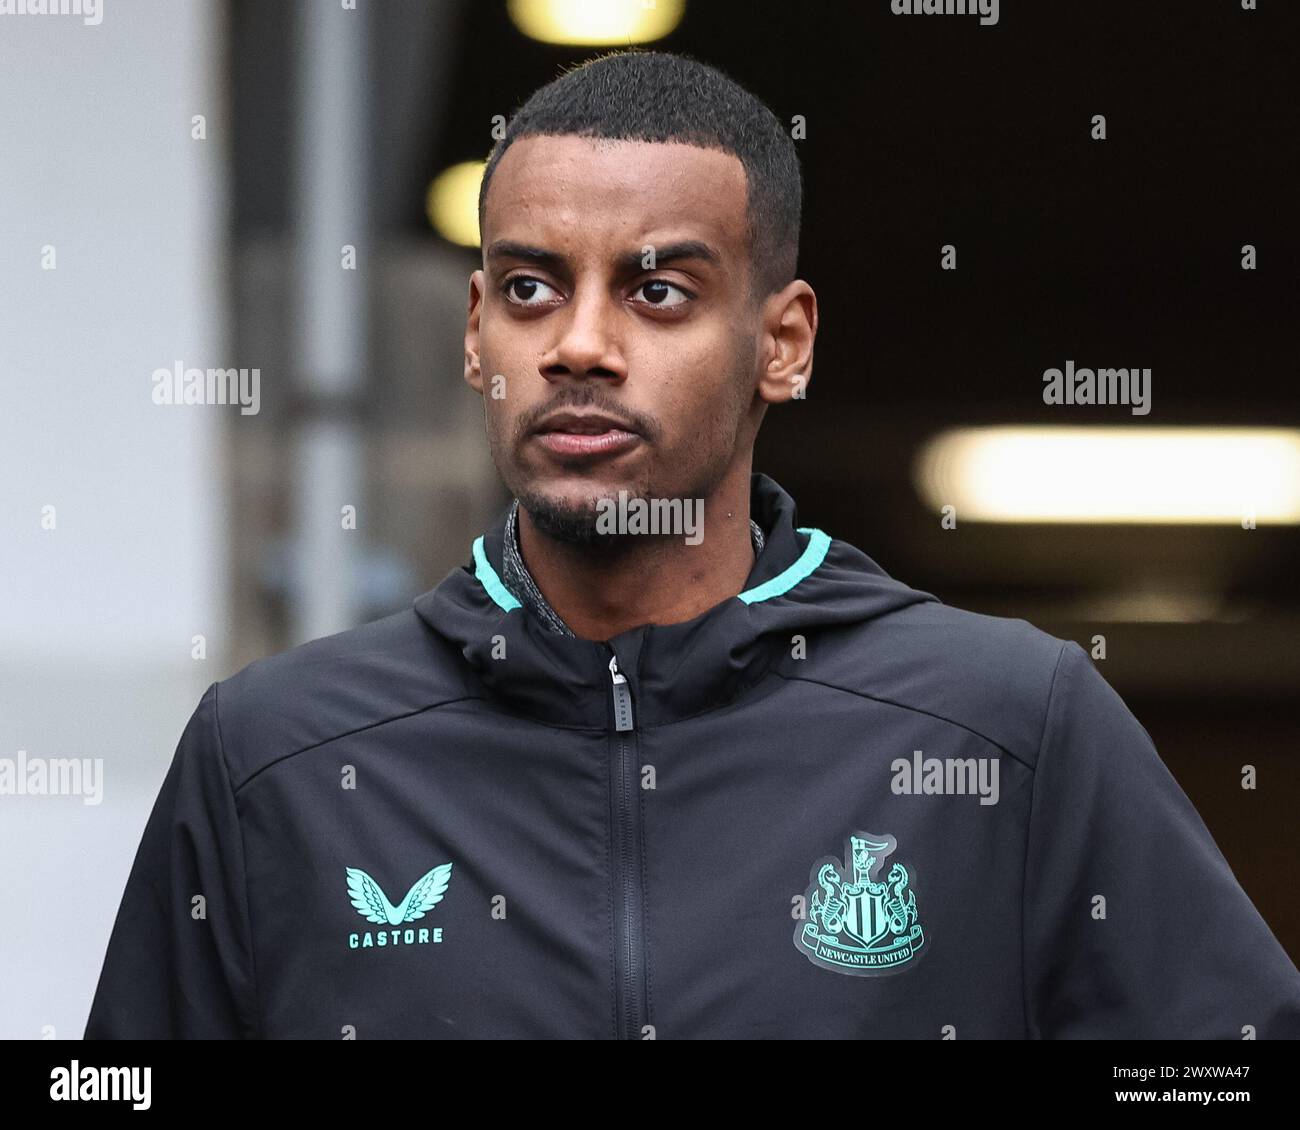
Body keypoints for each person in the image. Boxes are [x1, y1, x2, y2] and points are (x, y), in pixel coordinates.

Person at [85, 49, 1300, 1040]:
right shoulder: (276, 757)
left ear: (784, 341)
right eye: (529, 288)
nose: (579, 344)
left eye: (657, 291)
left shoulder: (1007, 729)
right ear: (474, 335)